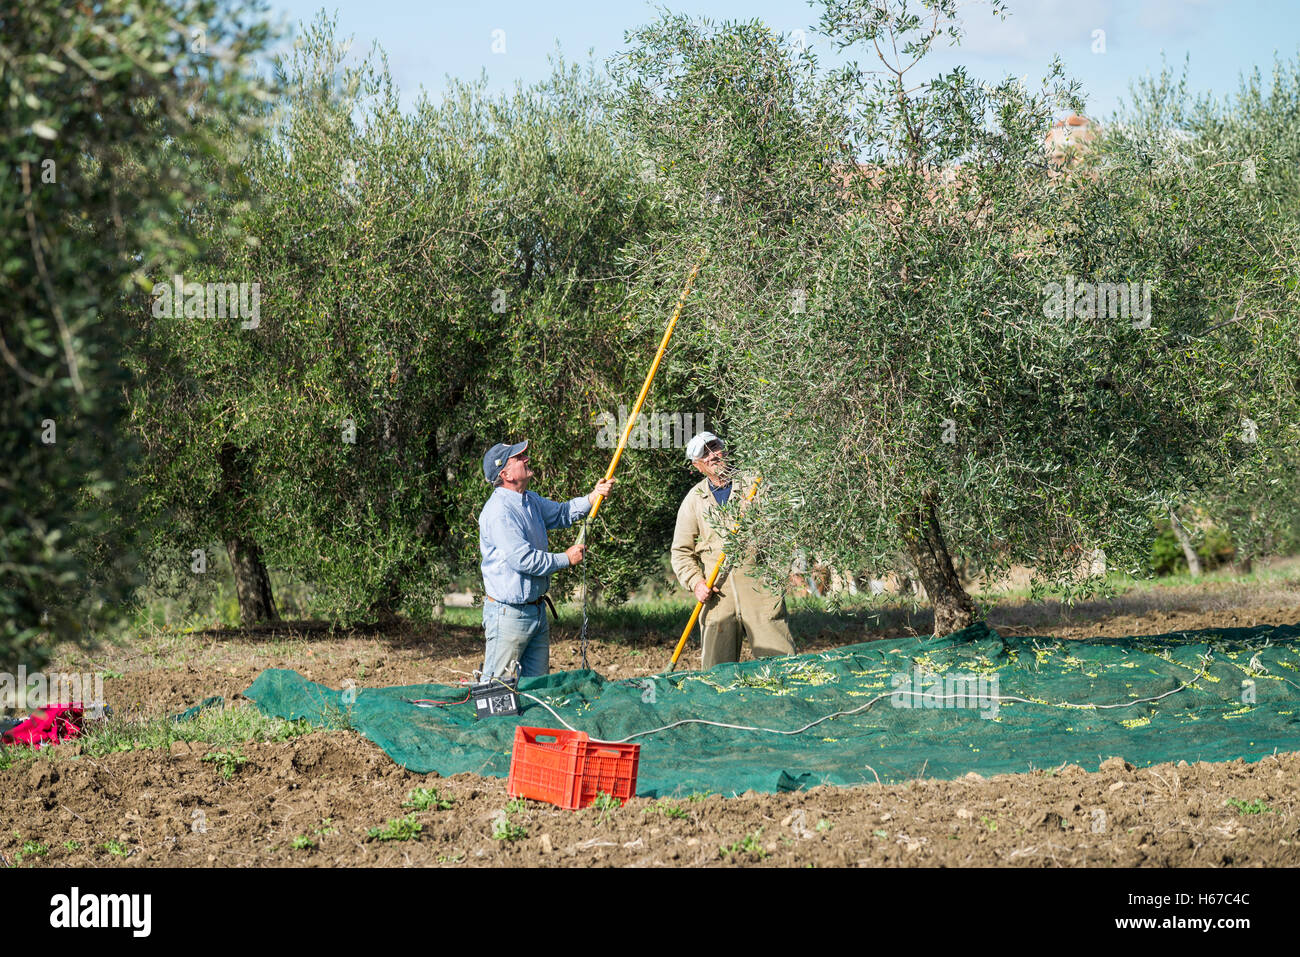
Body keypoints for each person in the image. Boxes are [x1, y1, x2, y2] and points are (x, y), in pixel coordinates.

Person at [478, 440, 614, 679]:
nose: (526, 459)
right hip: (508, 615)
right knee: (498, 690)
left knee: (536, 687)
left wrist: (593, 497)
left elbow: (562, 513)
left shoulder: (529, 500)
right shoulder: (499, 511)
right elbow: (524, 559)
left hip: (536, 612)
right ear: (505, 474)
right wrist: (566, 559)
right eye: (518, 458)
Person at [670, 432, 795, 668]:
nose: (711, 456)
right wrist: (696, 583)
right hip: (717, 599)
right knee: (716, 675)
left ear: (724, 449)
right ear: (697, 466)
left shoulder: (754, 485)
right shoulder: (694, 500)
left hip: (761, 591)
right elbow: (681, 552)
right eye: (703, 454)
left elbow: (783, 531)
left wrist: (776, 575)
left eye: (714, 447)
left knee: (782, 666)